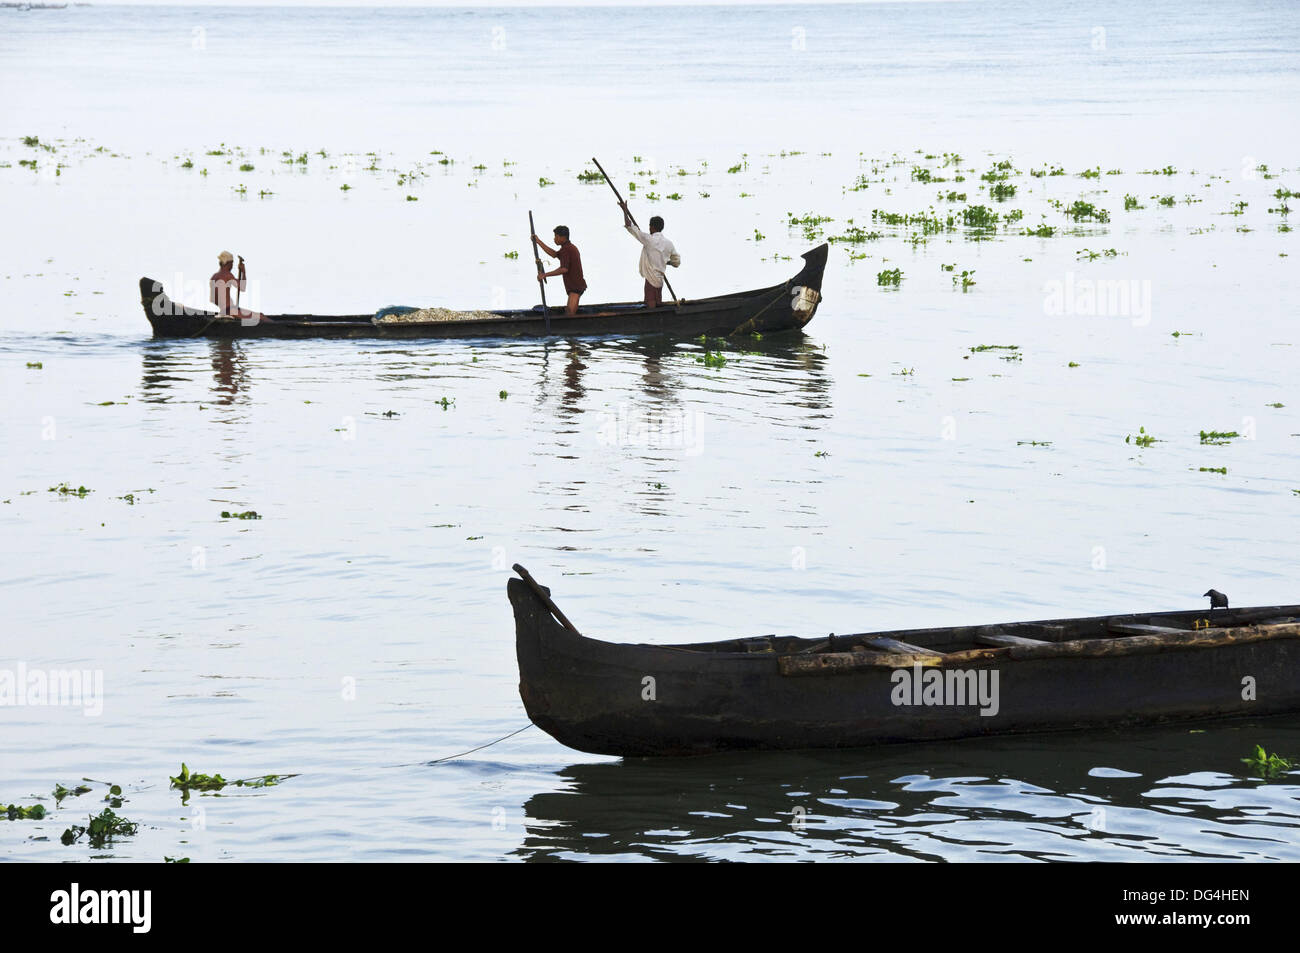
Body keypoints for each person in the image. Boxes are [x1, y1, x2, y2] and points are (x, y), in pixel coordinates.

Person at [619, 201, 680, 308]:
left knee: (651, 306)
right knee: (658, 304)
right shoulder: (669, 244)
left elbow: (630, 226)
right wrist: (666, 261)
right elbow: (677, 262)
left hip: (651, 281)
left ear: (652, 227)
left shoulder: (649, 240)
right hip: (660, 281)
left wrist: (624, 210)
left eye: (649, 226)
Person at [531, 226, 587, 316]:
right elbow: (554, 254)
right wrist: (538, 241)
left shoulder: (568, 249)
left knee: (570, 314)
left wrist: (545, 275)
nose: (554, 239)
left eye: (556, 236)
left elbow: (564, 269)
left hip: (576, 287)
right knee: (569, 311)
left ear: (563, 237)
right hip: (574, 286)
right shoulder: (566, 248)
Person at [209, 251, 265, 324]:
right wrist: (243, 272)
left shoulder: (214, 276)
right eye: (232, 263)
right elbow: (242, 287)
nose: (232, 266)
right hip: (230, 310)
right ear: (227, 263)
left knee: (259, 316)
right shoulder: (227, 275)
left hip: (224, 310)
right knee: (261, 317)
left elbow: (213, 299)